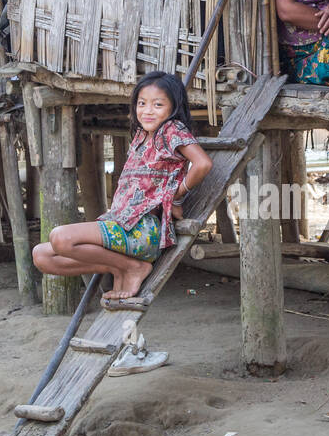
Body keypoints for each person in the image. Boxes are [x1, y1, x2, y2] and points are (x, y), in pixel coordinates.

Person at [33, 71, 211, 301]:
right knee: (42, 256)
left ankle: (133, 268)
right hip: (120, 224)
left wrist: (175, 196)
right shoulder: (140, 135)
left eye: (158, 104)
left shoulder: (171, 130)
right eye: (142, 103)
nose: (147, 110)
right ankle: (119, 267)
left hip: (141, 231)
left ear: (173, 108)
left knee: (60, 238)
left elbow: (203, 163)